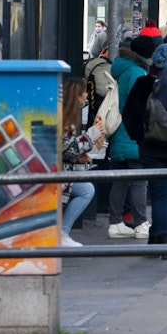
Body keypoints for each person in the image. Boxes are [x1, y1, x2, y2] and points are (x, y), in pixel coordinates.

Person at [127, 43, 167, 253]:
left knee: (159, 192)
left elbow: (129, 115)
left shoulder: (144, 83)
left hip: (151, 147)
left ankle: (161, 238)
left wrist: (139, 137)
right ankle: (159, 237)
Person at [106, 34, 156, 240]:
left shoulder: (121, 69)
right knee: (139, 181)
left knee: (120, 181)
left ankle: (115, 223)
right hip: (132, 132)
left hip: (119, 131)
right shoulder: (136, 72)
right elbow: (142, 105)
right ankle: (141, 223)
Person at [60, 78, 100, 248]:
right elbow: (70, 148)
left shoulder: (65, 116)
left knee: (86, 189)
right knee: (86, 190)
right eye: (84, 92)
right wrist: (93, 135)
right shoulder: (65, 119)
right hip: (57, 174)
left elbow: (65, 149)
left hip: (59, 171)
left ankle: (62, 232)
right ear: (77, 96)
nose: (86, 96)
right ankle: (61, 233)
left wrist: (77, 158)